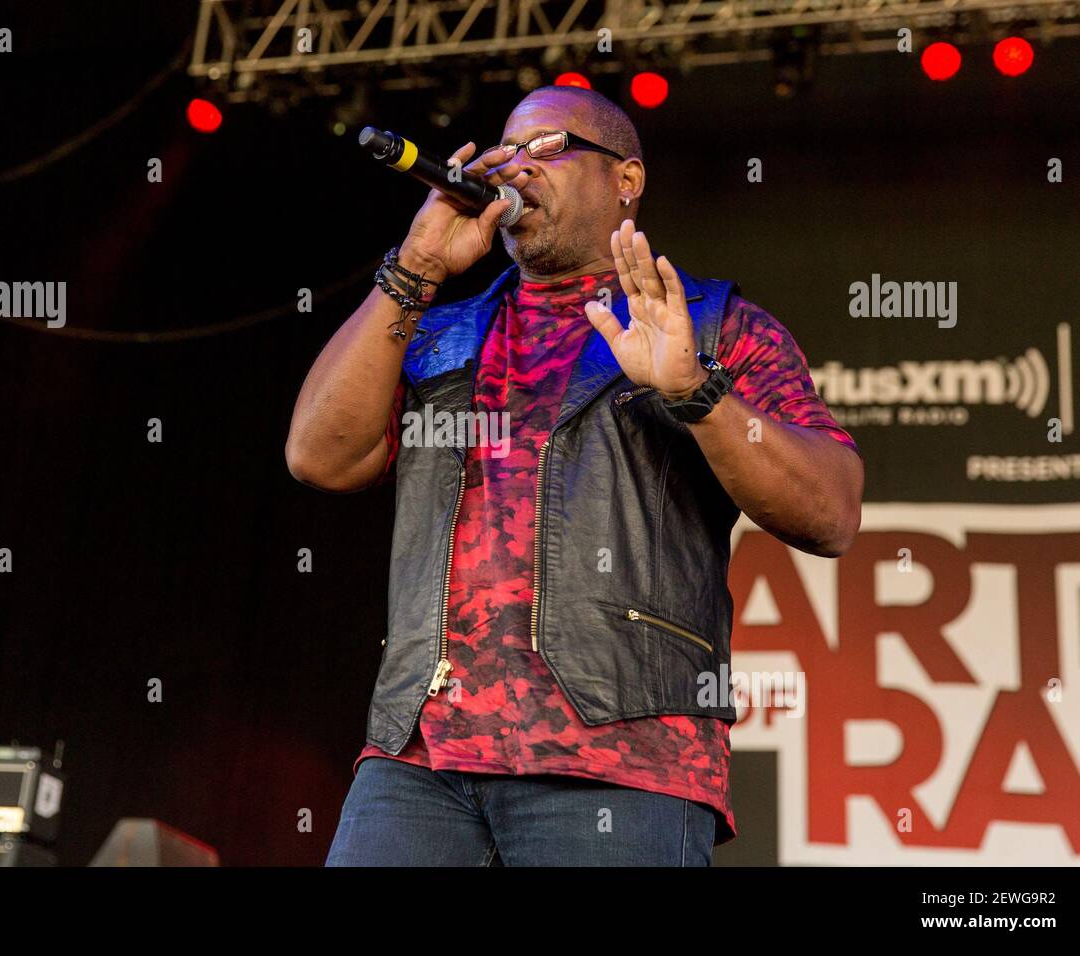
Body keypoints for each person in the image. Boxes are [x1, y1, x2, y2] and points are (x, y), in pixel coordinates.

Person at [286, 84, 864, 866]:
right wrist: (415, 269)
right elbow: (319, 456)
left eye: (550, 149)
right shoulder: (439, 332)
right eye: (507, 151)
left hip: (622, 757)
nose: (520, 168)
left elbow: (829, 513)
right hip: (418, 760)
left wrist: (696, 392)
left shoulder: (714, 324)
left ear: (626, 179)